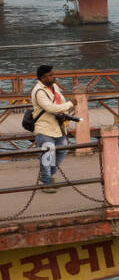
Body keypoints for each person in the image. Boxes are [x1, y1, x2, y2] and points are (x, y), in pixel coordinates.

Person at [30, 64, 79, 193]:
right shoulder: (38, 91)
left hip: (58, 126)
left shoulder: (54, 87)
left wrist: (64, 107)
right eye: (51, 75)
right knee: (47, 154)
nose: (54, 77)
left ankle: (48, 175)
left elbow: (60, 101)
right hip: (44, 127)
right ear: (43, 77)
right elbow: (50, 108)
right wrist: (70, 104)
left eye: (53, 74)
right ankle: (46, 182)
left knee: (62, 151)